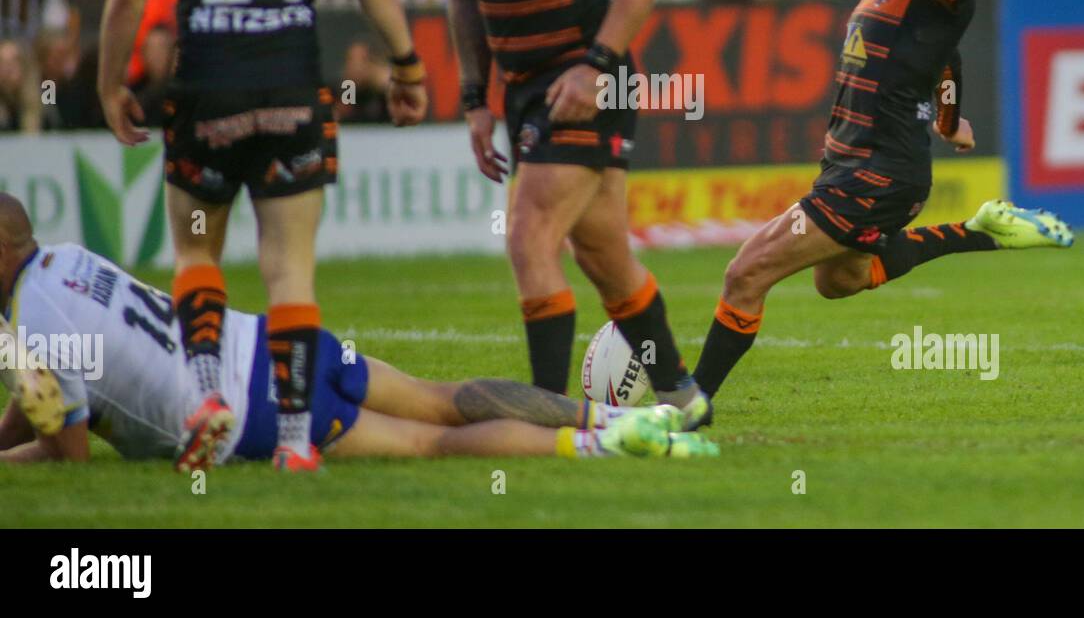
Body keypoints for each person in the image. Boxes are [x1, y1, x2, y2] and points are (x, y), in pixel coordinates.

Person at [96, 0, 429, 473]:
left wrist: (109, 82)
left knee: (194, 253)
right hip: (291, 94)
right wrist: (406, 64)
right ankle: (293, 441)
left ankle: (209, 394)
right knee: (290, 272)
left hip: (205, 93)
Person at [688, 0, 1074, 404]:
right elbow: (945, 58)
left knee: (745, 275)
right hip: (863, 169)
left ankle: (688, 410)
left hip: (874, 175)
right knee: (838, 281)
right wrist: (949, 121)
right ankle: (981, 232)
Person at [430, 0, 711, 427]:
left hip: (590, 79)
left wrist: (595, 67)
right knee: (606, 258)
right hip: (525, 88)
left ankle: (548, 417)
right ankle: (683, 396)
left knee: (528, 235)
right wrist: (474, 95)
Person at [0, 194, 718, 463]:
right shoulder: (67, 260)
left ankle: (600, 447)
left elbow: (67, 457)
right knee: (443, 396)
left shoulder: (31, 327)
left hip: (253, 410)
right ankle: (622, 418)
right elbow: (49, 402)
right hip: (280, 344)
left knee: (434, 443)